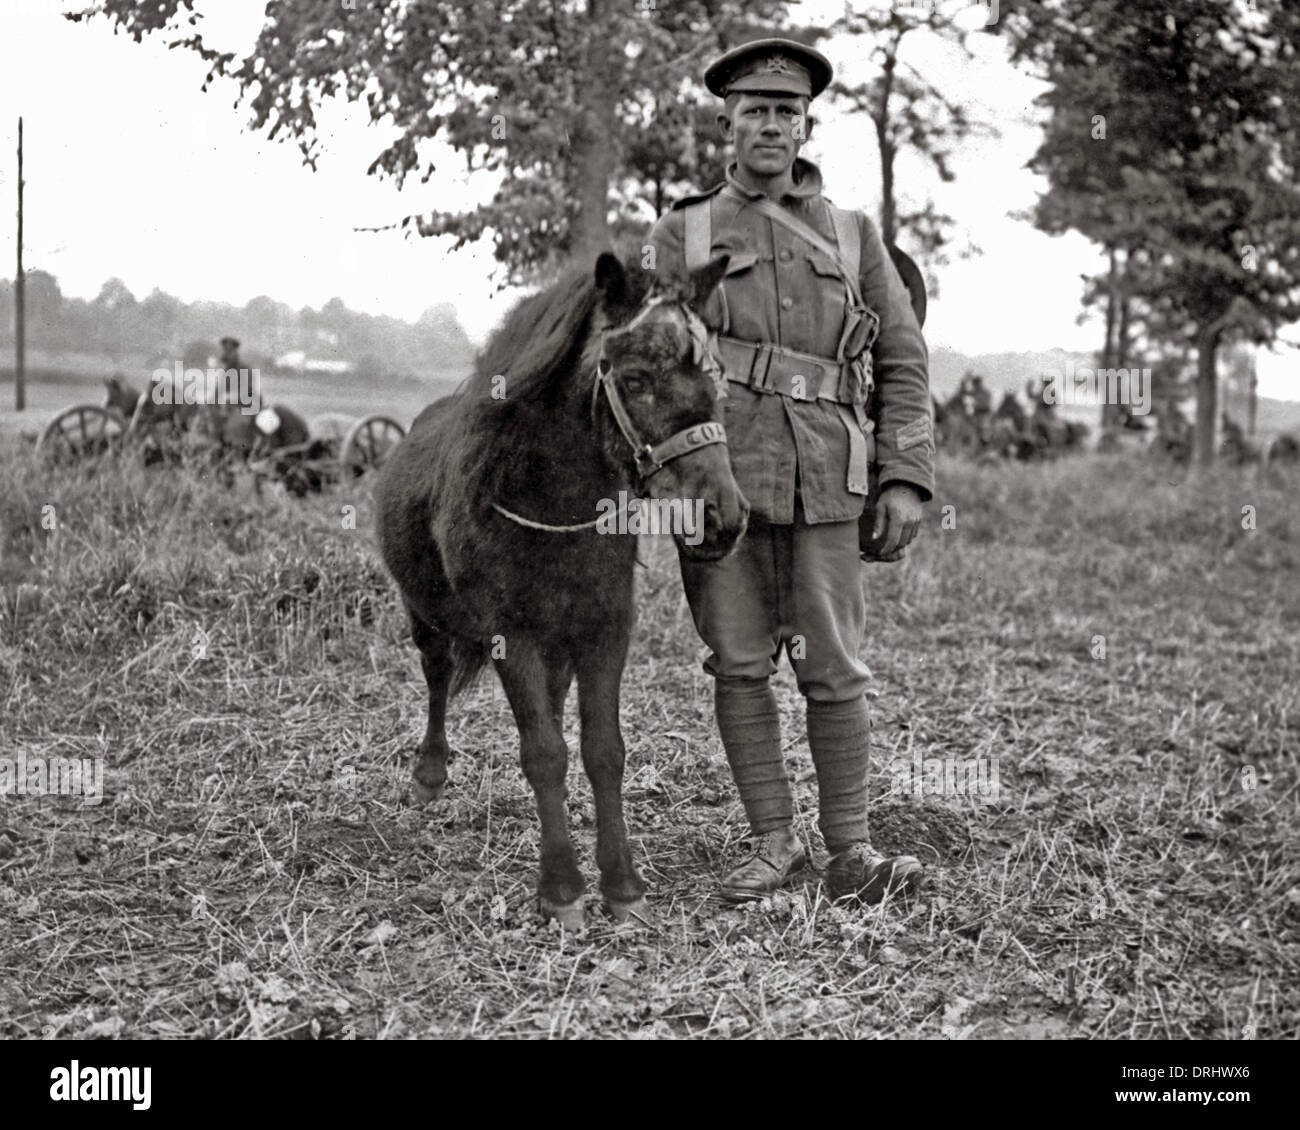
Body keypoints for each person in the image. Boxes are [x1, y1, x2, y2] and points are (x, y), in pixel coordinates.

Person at [649, 37, 935, 904]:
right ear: (727, 122)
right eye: (755, 111)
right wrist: (667, 485)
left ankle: (850, 851)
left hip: (828, 482)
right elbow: (655, 367)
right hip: (720, 480)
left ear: (806, 123)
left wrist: (905, 476)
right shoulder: (684, 230)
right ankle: (776, 842)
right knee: (738, 661)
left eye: (787, 111)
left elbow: (903, 359)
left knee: (835, 666)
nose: (771, 124)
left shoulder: (852, 235)